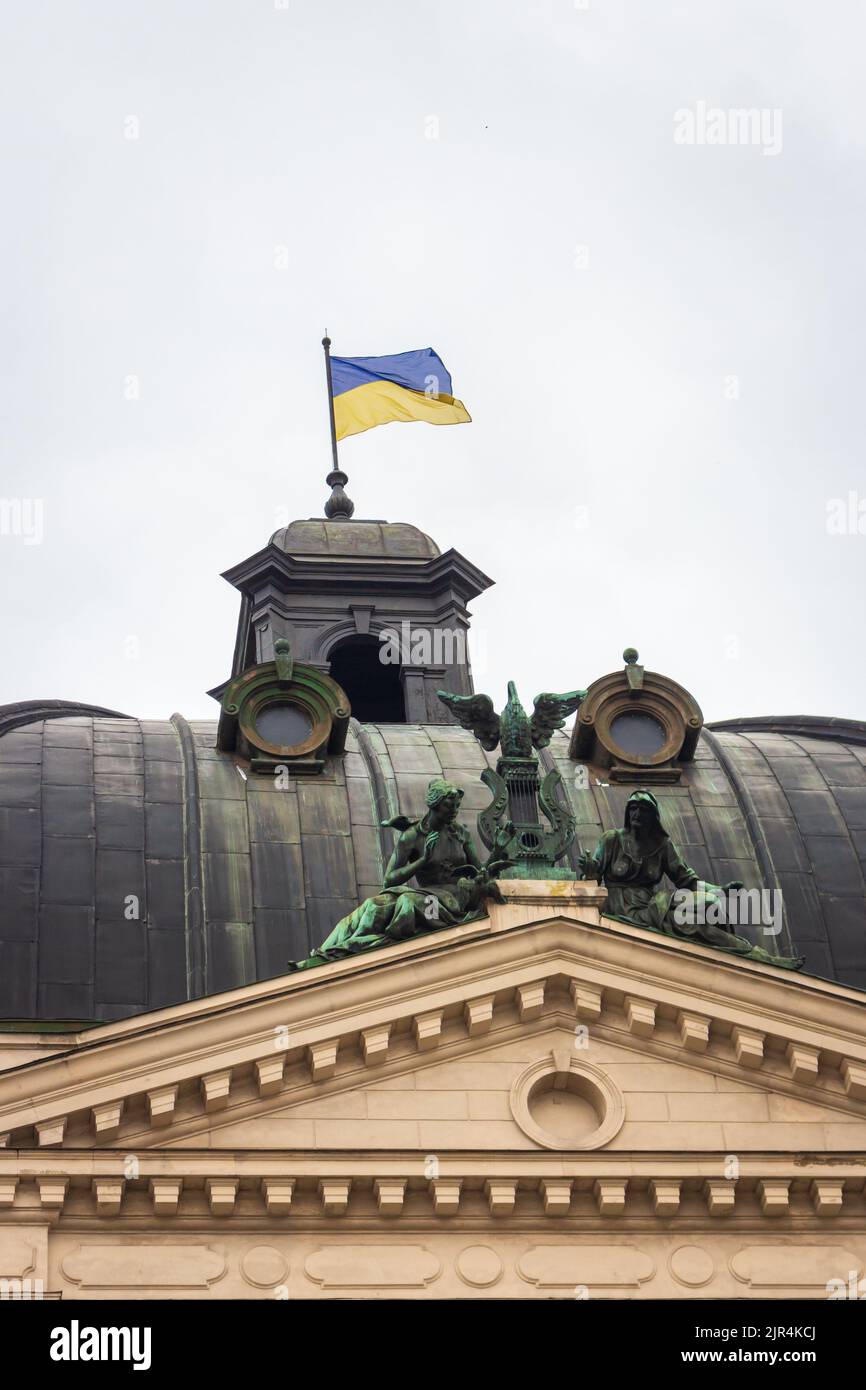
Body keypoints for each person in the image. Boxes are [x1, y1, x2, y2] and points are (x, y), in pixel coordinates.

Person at [287, 778, 508, 971]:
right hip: (429, 892)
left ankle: (370, 944)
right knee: (373, 906)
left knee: (407, 902)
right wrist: (422, 860)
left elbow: (481, 874)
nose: (455, 809)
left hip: (453, 896)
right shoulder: (412, 837)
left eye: (457, 804)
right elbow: (389, 880)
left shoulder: (461, 834)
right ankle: (329, 953)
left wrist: (497, 851)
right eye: (450, 804)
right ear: (436, 803)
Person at [579, 789, 803, 969]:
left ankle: (746, 955)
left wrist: (721, 890)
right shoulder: (612, 839)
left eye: (643, 810)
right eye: (633, 809)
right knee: (689, 923)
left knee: (712, 906)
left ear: (653, 817)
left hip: (651, 904)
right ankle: (755, 956)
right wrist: (590, 871)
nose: (637, 814)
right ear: (628, 813)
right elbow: (593, 876)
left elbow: (687, 880)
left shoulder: (662, 846)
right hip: (622, 907)